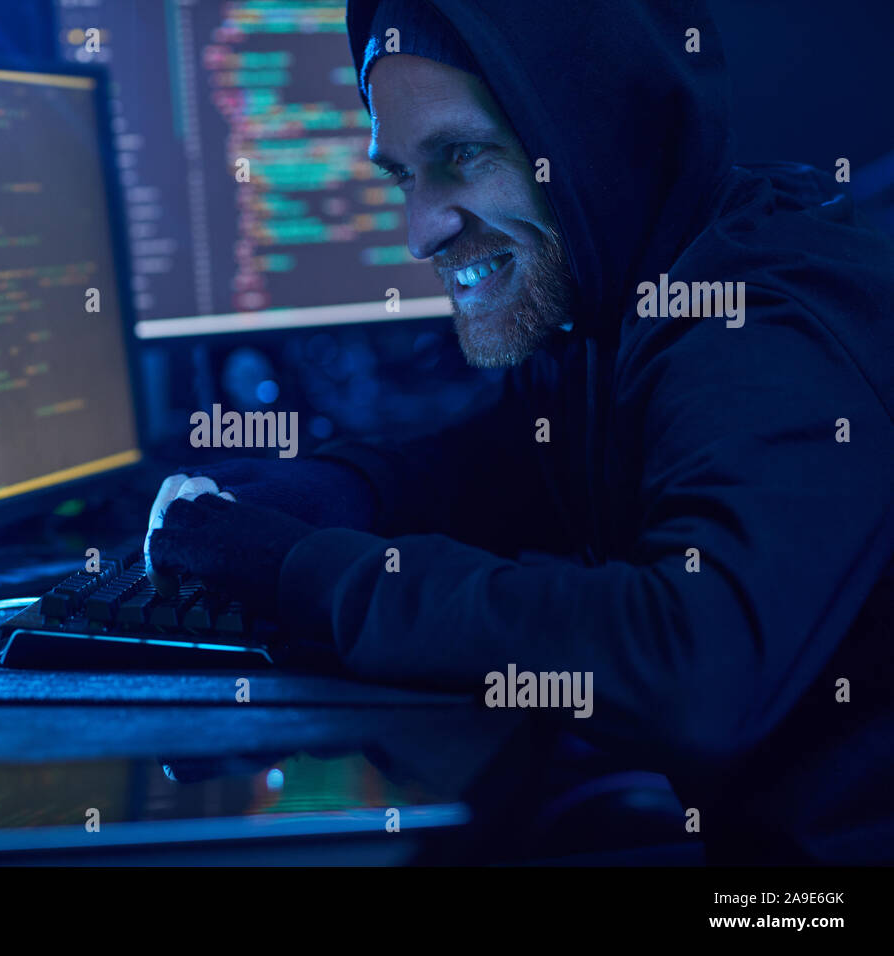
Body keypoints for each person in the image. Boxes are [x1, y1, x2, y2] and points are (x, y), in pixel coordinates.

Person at [146, 0, 894, 863]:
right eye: (402, 176)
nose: (420, 229)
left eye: (461, 158)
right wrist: (338, 491)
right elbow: (506, 466)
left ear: (592, 139)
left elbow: (693, 665)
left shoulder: (756, 323)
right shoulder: (614, 287)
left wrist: (307, 573)